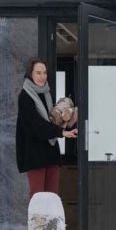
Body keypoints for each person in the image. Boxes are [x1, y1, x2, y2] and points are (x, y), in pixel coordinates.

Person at [16, 59, 78, 200]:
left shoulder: (46, 93)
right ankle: (38, 224)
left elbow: (52, 120)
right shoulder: (25, 96)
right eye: (38, 73)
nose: (42, 76)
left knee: (52, 199)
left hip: (50, 153)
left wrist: (66, 121)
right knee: (38, 200)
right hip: (34, 154)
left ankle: (52, 223)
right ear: (30, 74)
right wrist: (61, 132)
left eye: (44, 73)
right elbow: (35, 125)